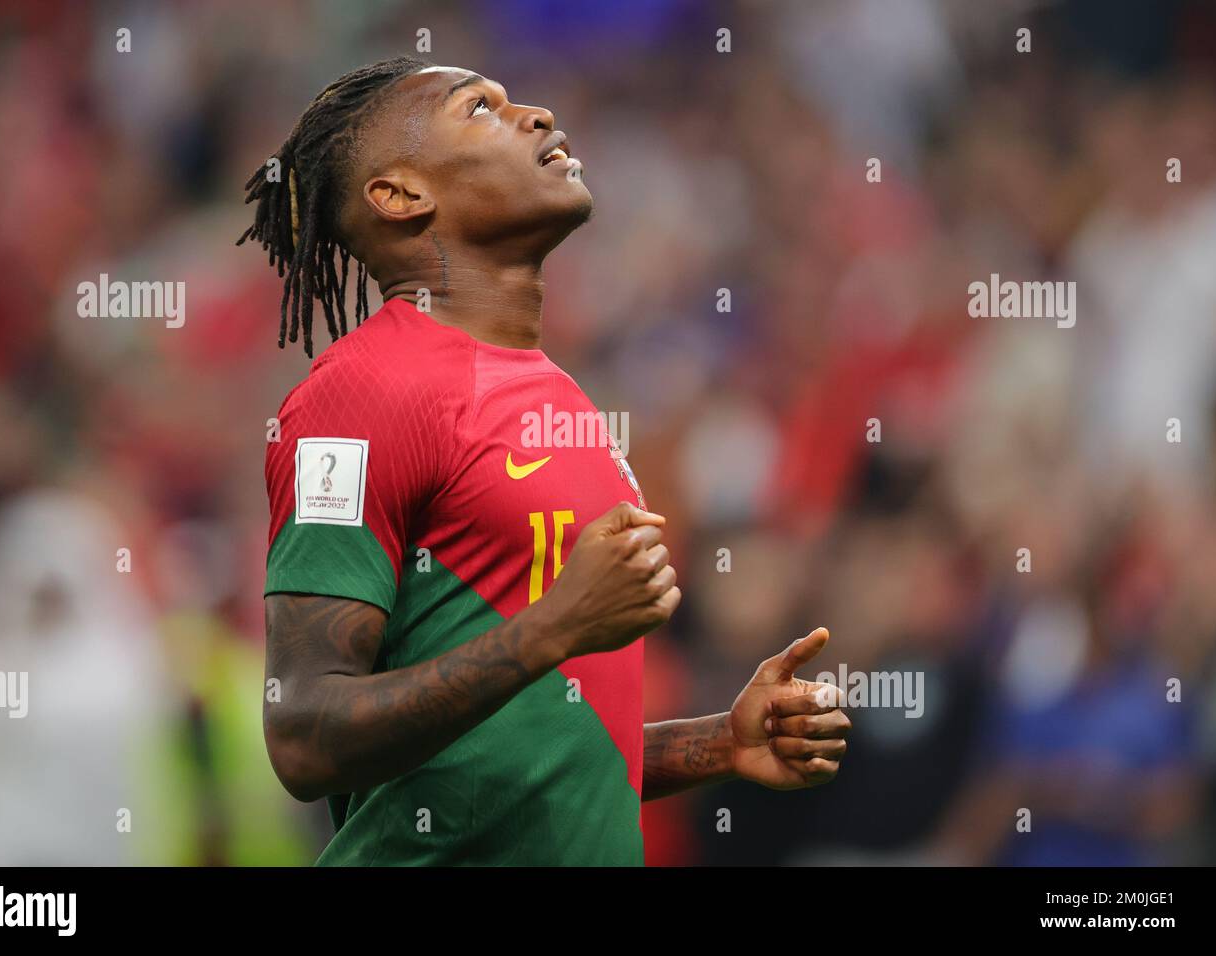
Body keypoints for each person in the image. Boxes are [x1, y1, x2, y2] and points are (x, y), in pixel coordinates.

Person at [240, 56, 849, 865]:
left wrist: (716, 746)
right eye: (479, 109)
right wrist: (552, 628)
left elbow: (527, 747)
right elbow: (304, 737)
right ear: (400, 195)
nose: (533, 113)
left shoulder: (557, 394)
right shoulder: (357, 397)